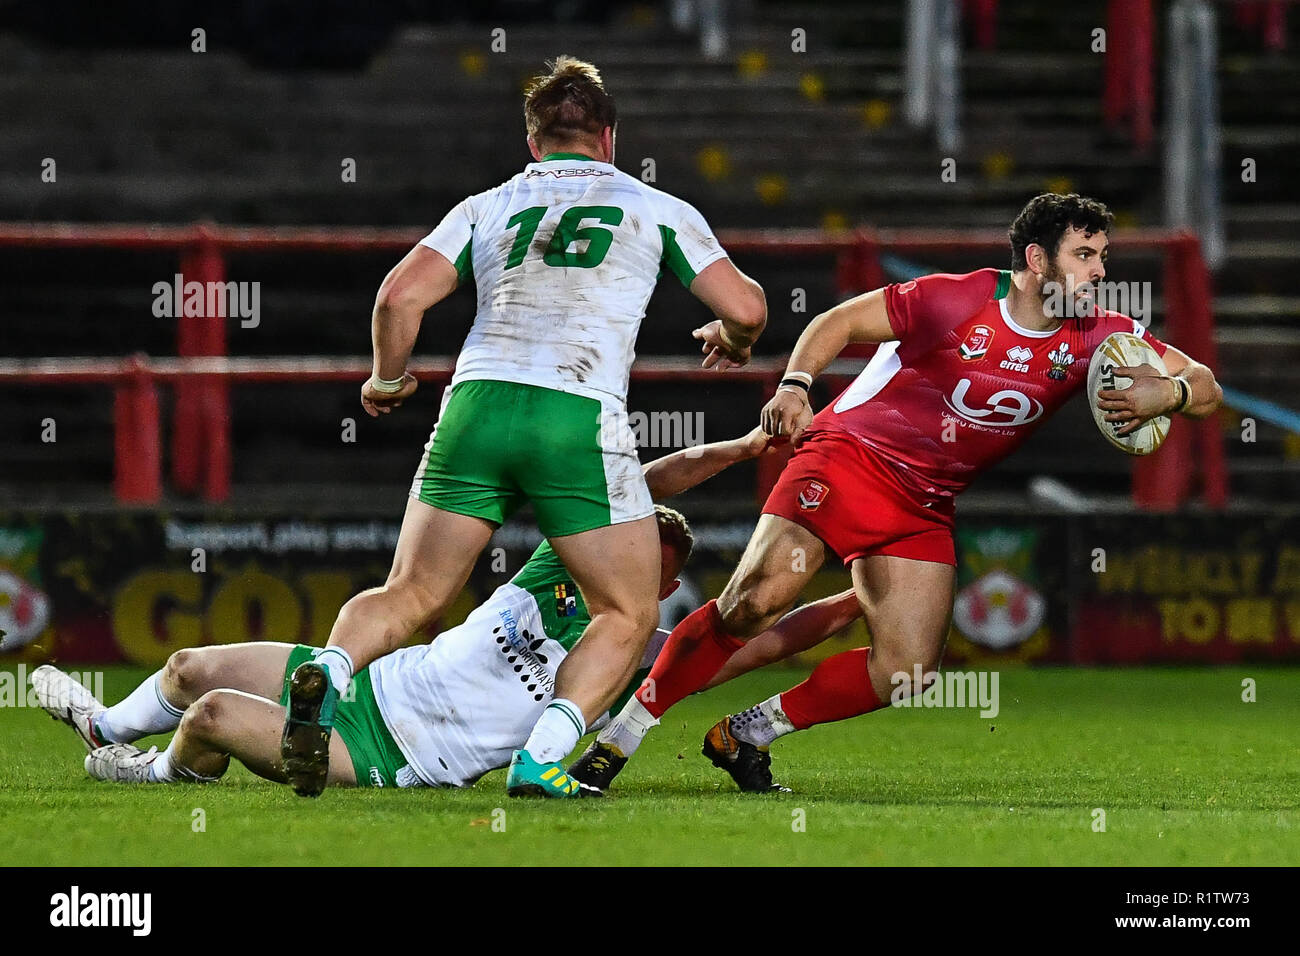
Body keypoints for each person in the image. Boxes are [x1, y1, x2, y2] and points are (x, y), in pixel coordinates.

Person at [570, 192, 1225, 793]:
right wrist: (796, 385)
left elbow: (1203, 382)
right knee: (754, 601)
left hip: (923, 505)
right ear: (1037, 258)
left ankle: (745, 733)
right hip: (848, 457)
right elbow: (838, 321)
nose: (1099, 271)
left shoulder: (1097, 335)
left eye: (1103, 257)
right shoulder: (955, 298)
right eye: (1084, 255)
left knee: (908, 669)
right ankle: (621, 737)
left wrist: (1166, 392)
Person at [278, 55, 767, 798]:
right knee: (627, 610)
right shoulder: (655, 206)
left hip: (475, 404)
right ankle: (539, 763)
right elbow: (750, 307)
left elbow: (398, 298)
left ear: (534, 142)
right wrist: (732, 341)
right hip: (573, 412)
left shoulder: (487, 204)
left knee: (411, 592)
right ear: (610, 136)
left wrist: (387, 379)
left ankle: (332, 668)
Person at [33, 430, 856, 792]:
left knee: (212, 713)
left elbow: (760, 642)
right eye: (621, 535)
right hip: (373, 688)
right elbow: (645, 482)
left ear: (665, 578)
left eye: (645, 553)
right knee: (187, 668)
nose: (622, 549)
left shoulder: (636, 644)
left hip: (399, 756)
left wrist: (854, 600)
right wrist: (747, 451)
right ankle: (108, 729)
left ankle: (153, 774)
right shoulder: (557, 563)